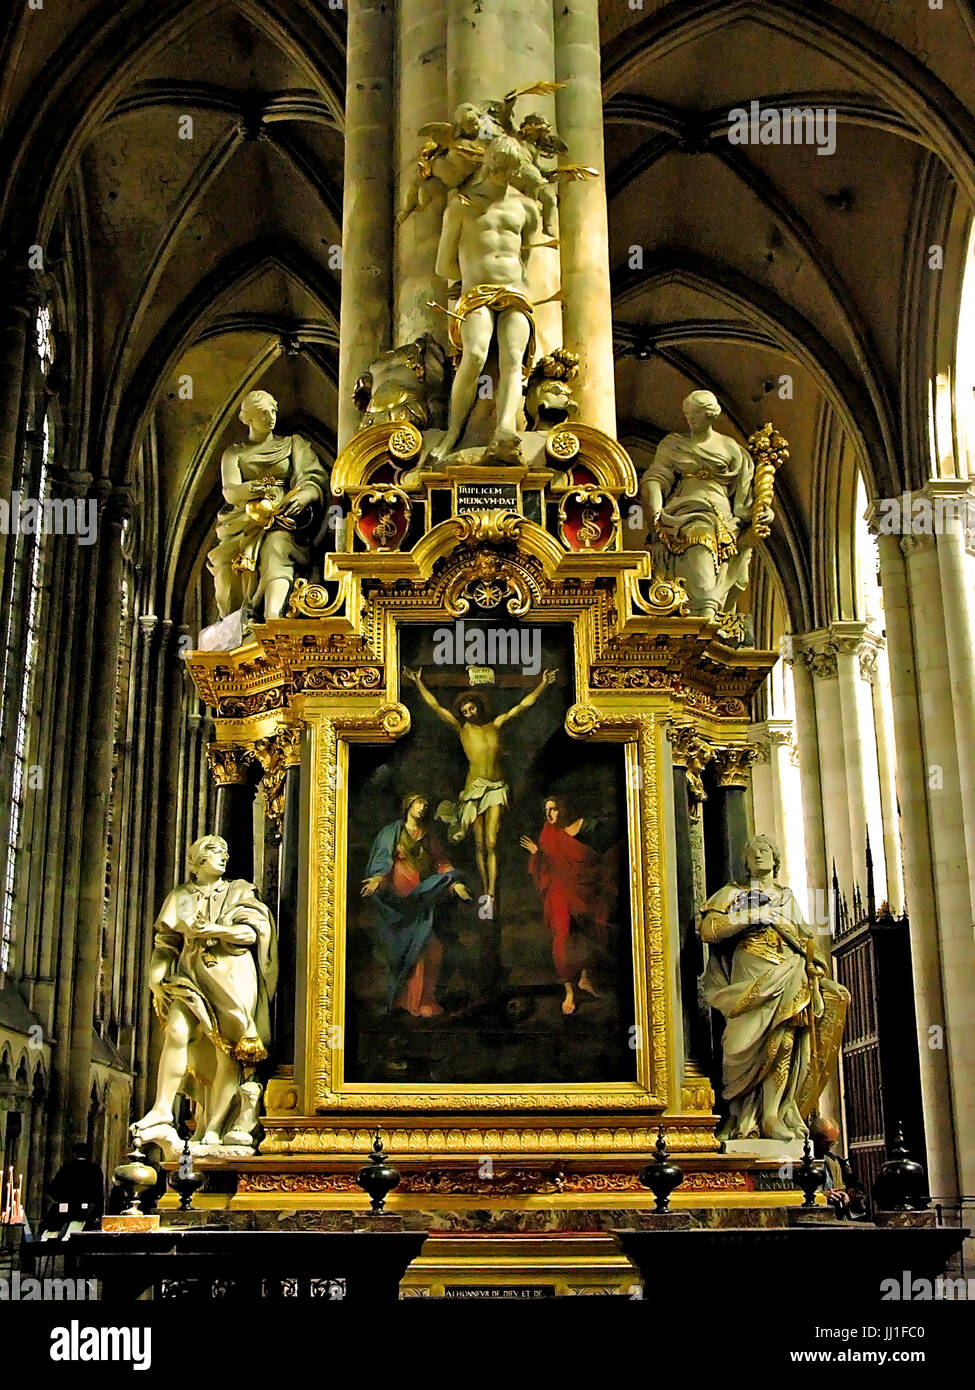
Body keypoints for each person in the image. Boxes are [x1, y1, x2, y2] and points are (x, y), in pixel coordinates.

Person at [698, 835, 849, 1142]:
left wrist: (818, 975)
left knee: (784, 1040)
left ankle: (771, 1114)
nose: (759, 856)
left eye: (765, 851)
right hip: (748, 977)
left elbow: (806, 943)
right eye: (752, 852)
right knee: (739, 1044)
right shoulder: (731, 893)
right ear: (745, 861)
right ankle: (741, 1115)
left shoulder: (786, 898)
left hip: (787, 972)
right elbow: (709, 931)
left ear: (776, 859)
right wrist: (750, 917)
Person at [132, 835, 277, 1149]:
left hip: (233, 980)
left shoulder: (239, 891)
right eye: (214, 852)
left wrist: (217, 930)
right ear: (195, 861)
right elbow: (165, 943)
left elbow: (254, 932)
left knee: (228, 1053)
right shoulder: (181, 896)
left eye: (225, 852)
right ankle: (161, 1110)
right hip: (190, 976)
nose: (223, 857)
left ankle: (214, 1126)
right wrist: (155, 976)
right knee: (177, 1031)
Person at [402, 667, 557, 903]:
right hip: (473, 791)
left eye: (471, 708)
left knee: (492, 842)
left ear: (478, 707)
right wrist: (419, 683)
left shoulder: (495, 726)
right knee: (479, 844)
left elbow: (523, 706)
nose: (468, 712)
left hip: (495, 788)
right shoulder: (462, 729)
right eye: (464, 711)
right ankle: (485, 888)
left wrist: (543, 684)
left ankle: (491, 891)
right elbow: (436, 707)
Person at [431, 136, 541, 462]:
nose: (504, 177)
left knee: (513, 358)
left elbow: (526, 256)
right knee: (476, 353)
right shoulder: (461, 205)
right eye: (499, 170)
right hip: (475, 294)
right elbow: (442, 265)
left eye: (510, 171)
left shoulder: (526, 208)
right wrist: (472, 275)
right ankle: (453, 432)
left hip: (515, 292)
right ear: (488, 166)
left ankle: (506, 428)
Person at [640, 389, 771, 621]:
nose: (690, 418)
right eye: (687, 414)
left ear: (710, 415)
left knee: (734, 564)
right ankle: (704, 613)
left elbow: (743, 503)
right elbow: (656, 479)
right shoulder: (673, 444)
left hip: (723, 515)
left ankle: (710, 614)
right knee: (699, 539)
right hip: (684, 511)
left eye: (695, 414)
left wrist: (762, 513)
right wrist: (657, 514)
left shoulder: (732, 450)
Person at [207, 389, 329, 620]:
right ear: (248, 419)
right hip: (243, 521)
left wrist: (305, 495)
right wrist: (252, 489)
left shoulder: (293, 444)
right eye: (263, 413)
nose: (271, 417)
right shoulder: (234, 453)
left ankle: (274, 616)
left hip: (282, 517)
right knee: (226, 569)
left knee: (277, 547)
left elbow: (315, 478)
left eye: (273, 411)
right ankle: (234, 623)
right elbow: (229, 491)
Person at [361, 793, 472, 1016]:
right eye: (418, 803)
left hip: (421, 901)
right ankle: (405, 1002)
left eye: (425, 804)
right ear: (408, 806)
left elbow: (442, 864)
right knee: (407, 953)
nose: (422, 807)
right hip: (398, 904)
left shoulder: (428, 836)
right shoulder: (392, 833)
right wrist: (378, 879)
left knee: (431, 949)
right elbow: (383, 863)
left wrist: (455, 885)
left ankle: (424, 1000)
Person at [520, 796, 617, 1015]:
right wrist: (536, 854)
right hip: (558, 894)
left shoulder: (578, 830)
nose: (549, 814)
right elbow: (544, 870)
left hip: (580, 892)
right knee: (562, 940)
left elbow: (588, 861)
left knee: (587, 933)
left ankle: (585, 980)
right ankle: (569, 992)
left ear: (561, 810)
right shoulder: (547, 834)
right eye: (546, 810)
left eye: (553, 809)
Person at [45, 1142, 104, 1229]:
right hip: (88, 1212)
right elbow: (99, 1194)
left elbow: (53, 1190)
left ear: (74, 1154)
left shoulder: (66, 1169)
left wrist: (63, 1200)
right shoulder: (95, 1169)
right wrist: (98, 1214)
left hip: (68, 1212)